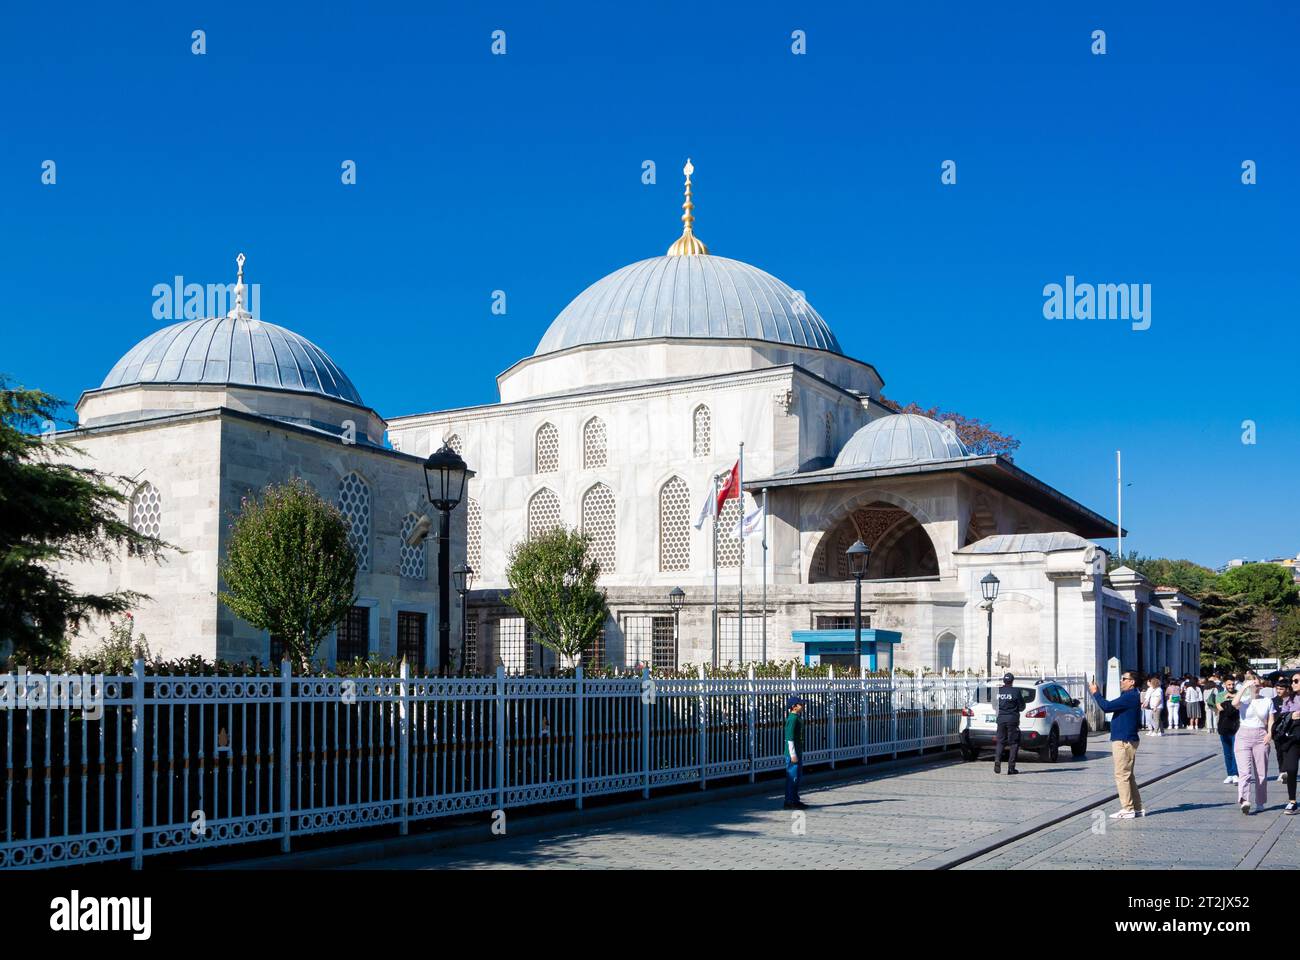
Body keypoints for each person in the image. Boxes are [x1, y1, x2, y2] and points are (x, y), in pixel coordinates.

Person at [1090, 670, 1145, 818]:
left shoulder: (1130, 696)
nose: (1121, 681)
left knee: (1121, 775)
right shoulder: (1130, 696)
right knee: (1128, 775)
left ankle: (1127, 809)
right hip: (1126, 737)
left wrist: (1096, 693)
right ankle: (1137, 807)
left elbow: (1107, 707)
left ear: (1132, 682)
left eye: (1124, 679)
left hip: (1124, 740)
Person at [1233, 679, 1274, 814]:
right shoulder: (1244, 700)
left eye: (1257, 685)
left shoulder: (1267, 700)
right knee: (1244, 772)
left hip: (1261, 734)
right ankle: (1244, 800)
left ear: (1261, 686)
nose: (1255, 687)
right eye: (1252, 685)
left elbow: (1271, 720)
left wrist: (1269, 734)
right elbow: (1234, 703)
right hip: (1243, 735)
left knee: (1261, 772)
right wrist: (1244, 687)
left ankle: (1260, 801)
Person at [1274, 673, 1300, 814]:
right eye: (1293, 681)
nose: (1293, 683)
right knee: (1290, 769)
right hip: (1293, 739)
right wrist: (1292, 715)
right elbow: (1282, 717)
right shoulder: (1288, 699)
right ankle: (1292, 802)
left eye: (1296, 681)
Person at [992, 673, 1027, 775]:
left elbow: (994, 705)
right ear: (1012, 681)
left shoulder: (998, 691)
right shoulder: (1016, 691)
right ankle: (1011, 768)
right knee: (1014, 743)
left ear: (1004, 681)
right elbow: (1022, 706)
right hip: (1012, 720)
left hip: (1001, 719)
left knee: (1000, 742)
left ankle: (997, 760)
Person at [783, 694, 807, 810]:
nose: (803, 705)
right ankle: (789, 801)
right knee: (792, 778)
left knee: (797, 777)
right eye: (800, 704)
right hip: (793, 754)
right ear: (794, 706)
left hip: (798, 752)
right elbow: (789, 737)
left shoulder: (797, 717)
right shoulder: (792, 719)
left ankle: (795, 800)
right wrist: (792, 754)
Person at [1216, 677, 1240, 784]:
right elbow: (1219, 708)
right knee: (1227, 752)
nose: (1231, 686)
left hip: (1236, 725)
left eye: (1232, 684)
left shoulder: (1239, 693)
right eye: (1229, 684)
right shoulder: (1220, 695)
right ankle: (1229, 774)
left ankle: (1235, 773)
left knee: (1235, 751)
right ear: (1225, 685)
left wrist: (1233, 697)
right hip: (1224, 725)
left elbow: (1240, 705)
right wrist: (1227, 700)